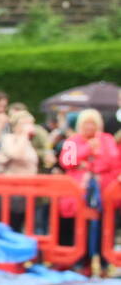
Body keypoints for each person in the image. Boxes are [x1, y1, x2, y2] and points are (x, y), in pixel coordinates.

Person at [58, 108, 121, 273]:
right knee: (79, 228)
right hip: (79, 194)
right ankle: (80, 261)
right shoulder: (73, 140)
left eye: (93, 123)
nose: (90, 127)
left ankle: (104, 263)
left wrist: (92, 164)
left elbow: (113, 161)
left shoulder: (106, 140)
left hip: (103, 193)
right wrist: (87, 150)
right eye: (86, 123)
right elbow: (66, 161)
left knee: (104, 229)